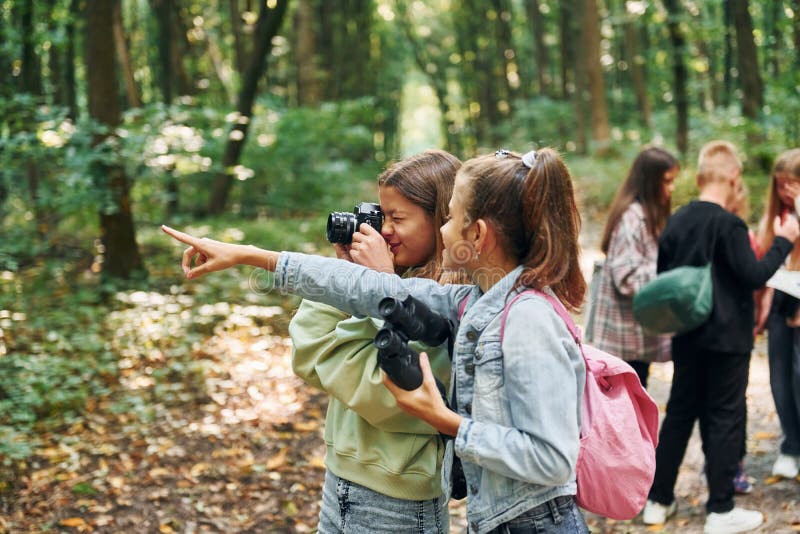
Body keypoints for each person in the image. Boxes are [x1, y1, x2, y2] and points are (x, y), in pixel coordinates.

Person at [162, 147, 591, 534]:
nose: (444, 232)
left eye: (449, 218)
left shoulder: (523, 317)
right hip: (481, 518)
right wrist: (249, 255)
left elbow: (551, 459)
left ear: (475, 233)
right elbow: (366, 299)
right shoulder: (471, 302)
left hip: (456, 514)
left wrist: (448, 422)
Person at [289, 150, 464, 533]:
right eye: (382, 216)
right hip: (339, 479)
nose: (384, 231)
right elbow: (307, 350)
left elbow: (386, 395)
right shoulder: (388, 274)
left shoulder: (450, 302)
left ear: (441, 221)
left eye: (398, 219)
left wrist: (383, 289)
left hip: (399, 500)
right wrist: (348, 277)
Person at [642, 141, 800, 534]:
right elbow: (754, 274)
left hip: (687, 336)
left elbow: (664, 278)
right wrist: (785, 239)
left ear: (697, 178)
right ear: (733, 178)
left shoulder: (677, 221)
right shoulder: (728, 224)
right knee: (724, 418)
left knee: (679, 415)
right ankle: (721, 509)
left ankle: (656, 502)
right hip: (728, 340)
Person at [587, 147, 678, 388]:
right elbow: (625, 278)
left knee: (637, 394)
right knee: (625, 402)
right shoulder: (632, 218)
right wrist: (669, 276)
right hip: (622, 339)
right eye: (667, 181)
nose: (672, 188)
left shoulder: (649, 216)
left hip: (636, 335)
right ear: (650, 181)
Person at [755, 148, 800, 480]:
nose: (786, 193)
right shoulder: (774, 217)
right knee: (780, 376)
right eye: (782, 186)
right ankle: (790, 445)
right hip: (780, 299)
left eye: (793, 186)